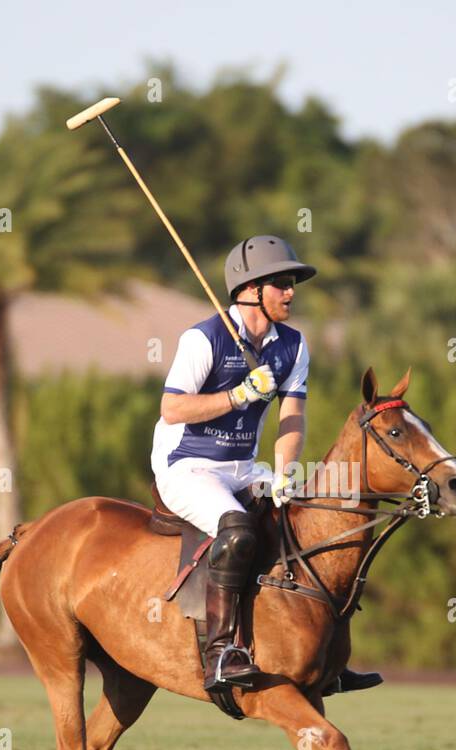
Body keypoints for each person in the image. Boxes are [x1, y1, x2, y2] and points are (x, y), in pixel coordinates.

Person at [151, 235, 382, 697]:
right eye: (281, 283)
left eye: (292, 282)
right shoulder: (205, 338)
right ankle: (220, 653)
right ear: (250, 289)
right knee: (238, 530)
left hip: (243, 466)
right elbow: (172, 409)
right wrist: (236, 396)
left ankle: (327, 657)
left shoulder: (292, 346)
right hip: (187, 466)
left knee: (309, 521)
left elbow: (291, 417)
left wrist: (284, 472)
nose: (291, 292)